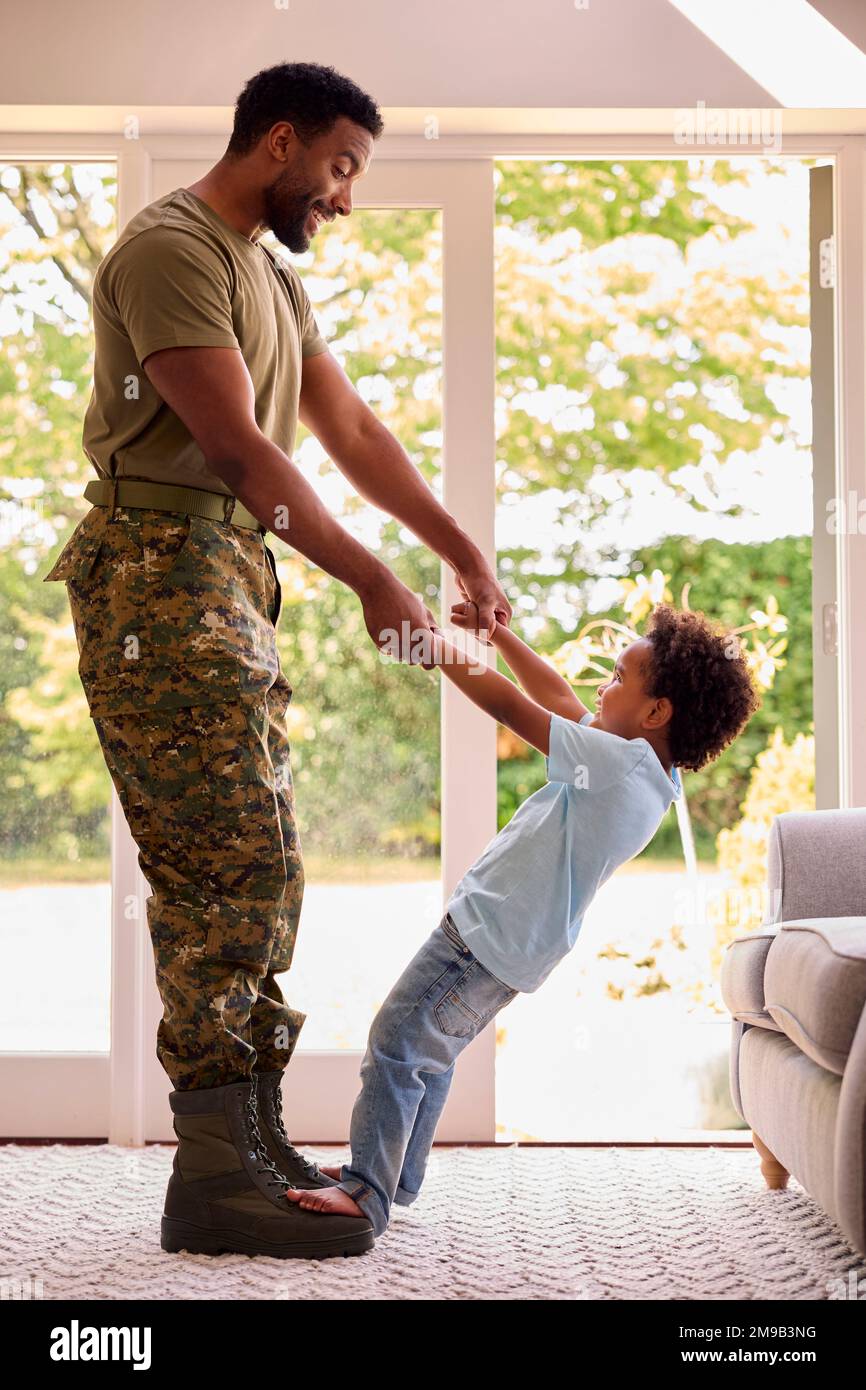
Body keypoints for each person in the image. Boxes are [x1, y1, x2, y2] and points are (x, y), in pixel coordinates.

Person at [43, 60, 511, 1261]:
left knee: (261, 862)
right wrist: (373, 579)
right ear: (280, 141)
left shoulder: (263, 274)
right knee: (218, 869)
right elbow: (241, 449)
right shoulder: (170, 249)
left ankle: (246, 1143)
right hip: (159, 573)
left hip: (225, 579)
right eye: (342, 166)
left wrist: (456, 547)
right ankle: (213, 1178)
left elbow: (344, 429)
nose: (347, 195)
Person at [285, 601, 761, 1237]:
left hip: (483, 936)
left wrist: (435, 647)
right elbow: (560, 695)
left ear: (655, 712)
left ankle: (367, 1192)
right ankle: (393, 1175)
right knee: (431, 1055)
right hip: (511, 947)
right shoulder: (646, 773)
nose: (601, 684)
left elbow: (517, 709)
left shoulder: (616, 766)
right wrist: (499, 636)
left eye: (619, 678)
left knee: (395, 1043)